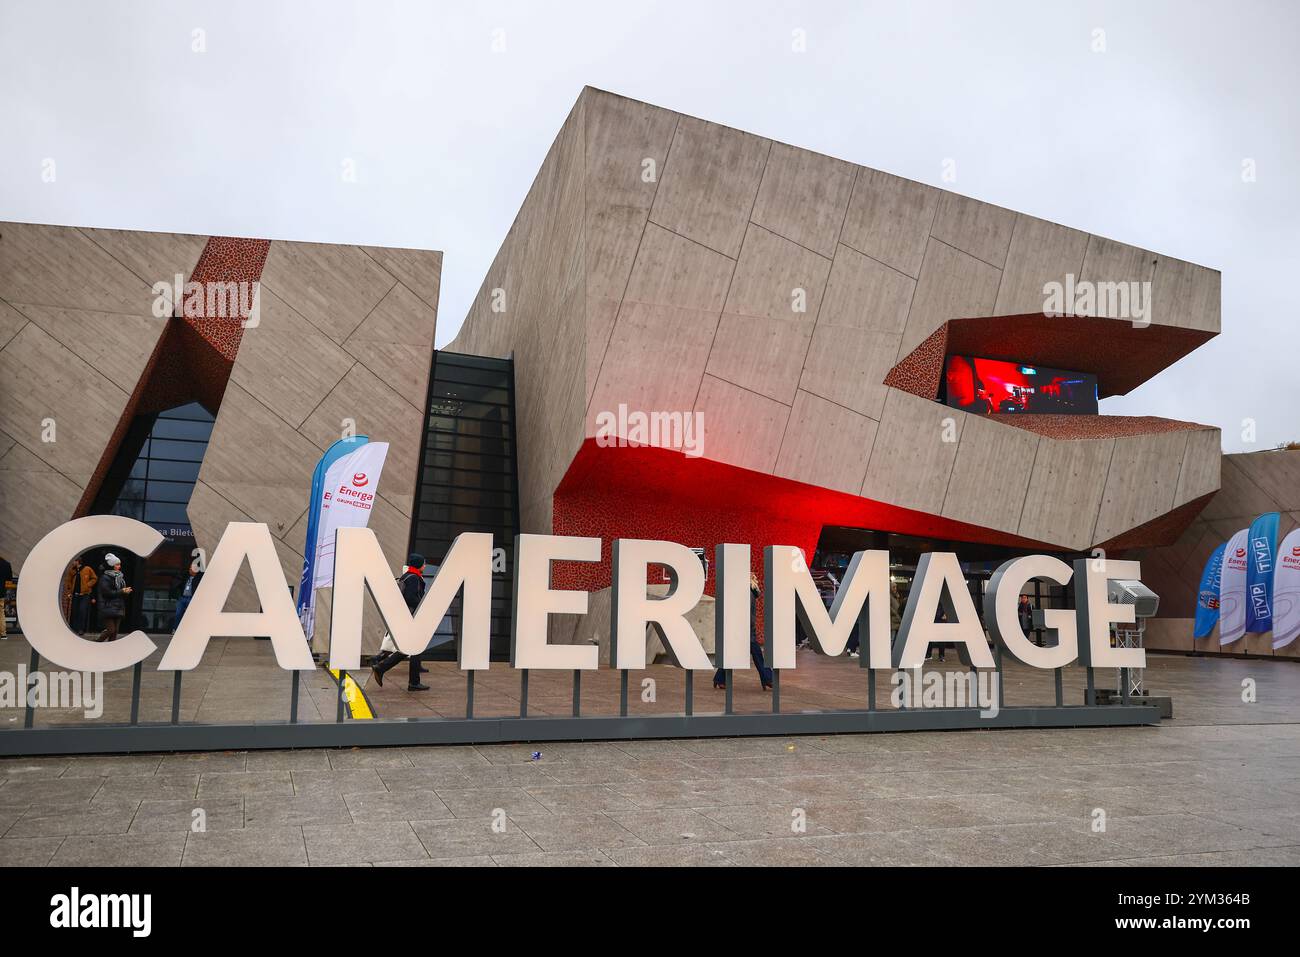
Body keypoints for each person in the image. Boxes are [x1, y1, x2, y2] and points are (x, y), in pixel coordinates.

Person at [370, 553, 430, 691]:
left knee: (411, 648)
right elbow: (409, 598)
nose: (425, 566)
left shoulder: (407, 576)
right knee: (412, 647)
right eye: (424, 563)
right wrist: (423, 605)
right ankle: (384, 668)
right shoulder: (414, 578)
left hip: (404, 616)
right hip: (410, 616)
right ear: (418, 565)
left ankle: (385, 668)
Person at [713, 573, 773, 692]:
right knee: (756, 654)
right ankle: (767, 678)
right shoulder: (747, 592)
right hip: (744, 629)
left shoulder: (748, 592)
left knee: (734, 654)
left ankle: (719, 678)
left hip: (746, 628)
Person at [95, 553, 132, 642]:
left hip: (118, 606)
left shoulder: (120, 577)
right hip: (107, 607)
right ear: (111, 566)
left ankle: (109, 650)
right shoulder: (105, 577)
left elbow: (119, 593)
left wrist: (126, 592)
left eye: (119, 564)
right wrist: (122, 591)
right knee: (111, 630)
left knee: (115, 632)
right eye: (117, 564)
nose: (119, 566)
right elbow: (107, 593)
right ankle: (97, 643)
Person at [66, 557, 97, 635]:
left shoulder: (87, 569)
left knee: (82, 611)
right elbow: (68, 581)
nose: (72, 563)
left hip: (85, 595)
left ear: (78, 561)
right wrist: (69, 592)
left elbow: (94, 578)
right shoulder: (72, 571)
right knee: (74, 611)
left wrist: (88, 585)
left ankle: (81, 629)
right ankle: (73, 628)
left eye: (74, 561)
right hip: (75, 595)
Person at [172, 560, 203, 632]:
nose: (189, 570)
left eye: (191, 569)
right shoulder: (186, 576)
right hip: (182, 598)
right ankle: (175, 629)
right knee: (178, 614)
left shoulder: (198, 578)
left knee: (191, 615)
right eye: (189, 568)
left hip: (191, 599)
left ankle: (191, 630)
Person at [0, 553, 13, 639]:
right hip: (1, 592)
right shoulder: (6, 564)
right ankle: (3, 634)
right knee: (1, 612)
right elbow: (9, 578)